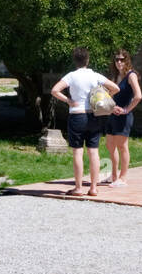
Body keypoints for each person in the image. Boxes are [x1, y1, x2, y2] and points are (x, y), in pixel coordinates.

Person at [51, 48, 119, 197]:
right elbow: (116, 88)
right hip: (93, 116)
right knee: (93, 151)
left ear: (75, 61)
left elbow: (55, 90)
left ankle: (78, 188)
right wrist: (104, 97)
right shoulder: (94, 75)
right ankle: (94, 188)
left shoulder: (71, 76)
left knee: (77, 152)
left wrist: (69, 101)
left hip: (77, 115)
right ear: (87, 60)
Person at [106, 49, 142, 187]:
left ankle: (123, 178)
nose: (119, 62)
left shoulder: (130, 75)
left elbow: (138, 96)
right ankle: (114, 175)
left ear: (127, 60)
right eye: (117, 59)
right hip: (112, 115)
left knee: (122, 146)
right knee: (110, 145)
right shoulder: (115, 76)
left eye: (122, 59)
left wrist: (126, 110)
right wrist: (109, 106)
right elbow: (109, 95)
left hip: (123, 116)